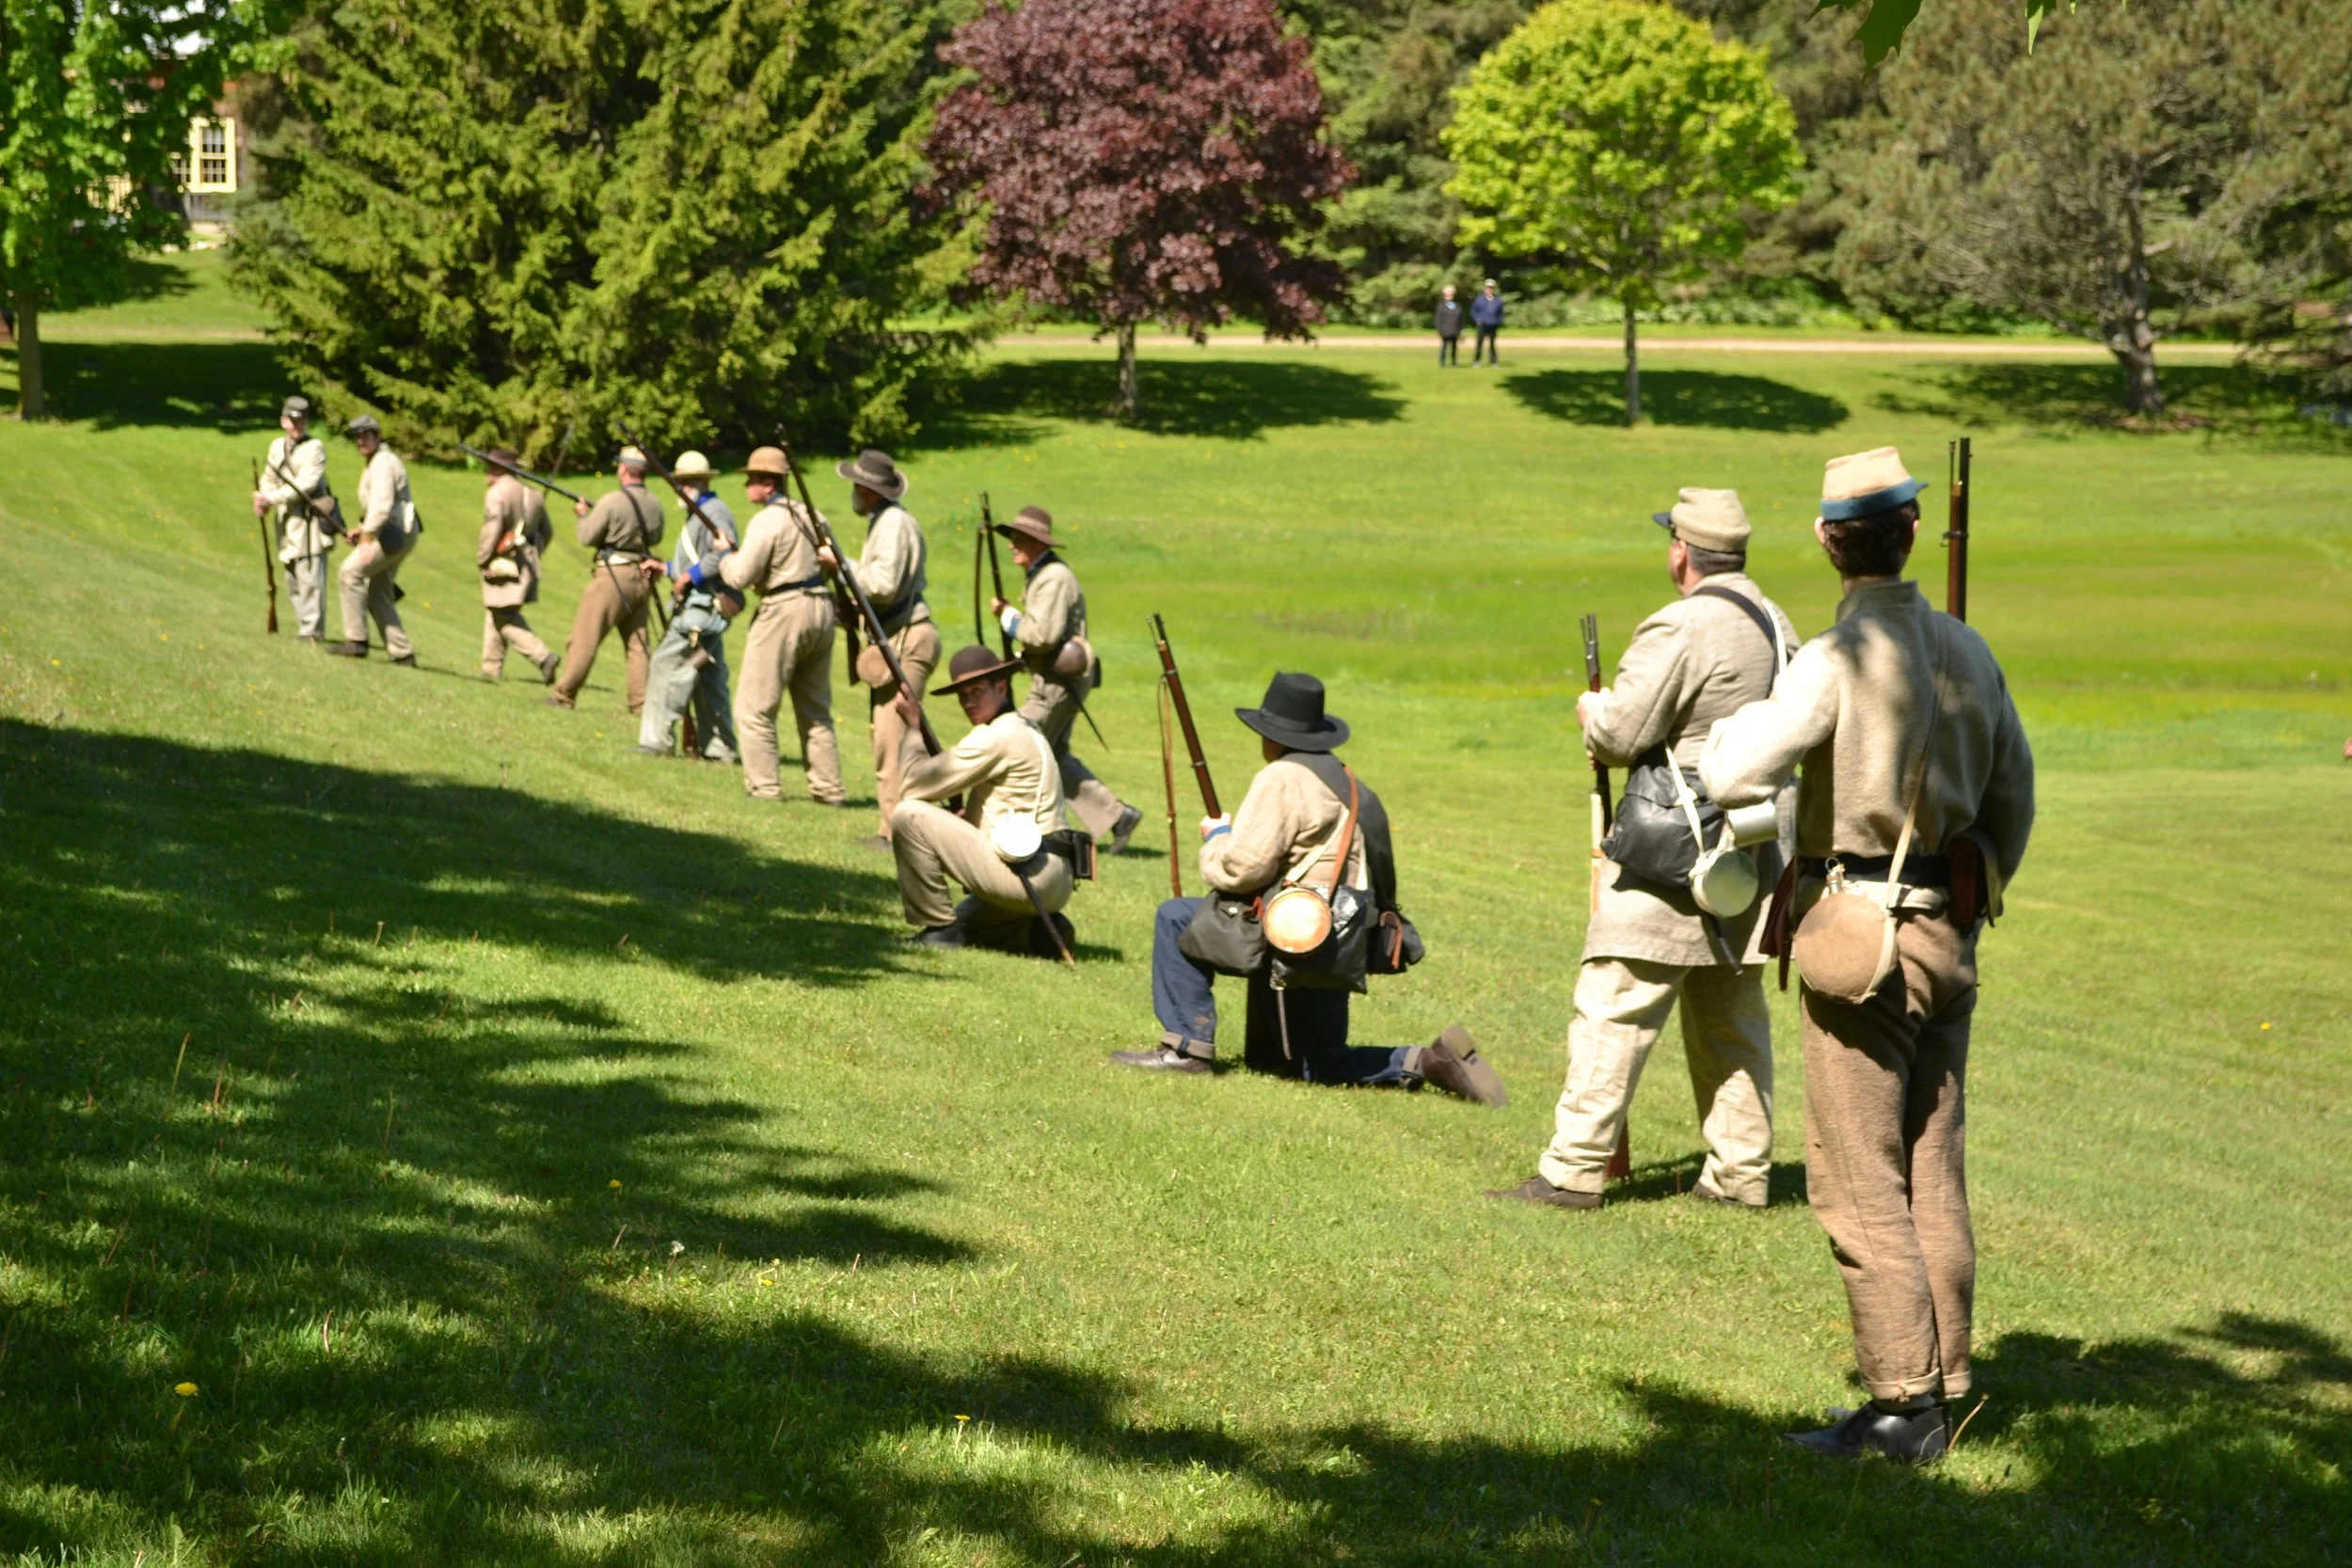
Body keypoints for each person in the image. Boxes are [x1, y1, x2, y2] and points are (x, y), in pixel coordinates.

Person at [1699, 446, 2035, 1465]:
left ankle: (1899, 1402)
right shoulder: (1970, 650)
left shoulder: (1837, 655)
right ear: (1913, 530)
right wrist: (1967, 885)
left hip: (1861, 938)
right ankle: (1950, 1380)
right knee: (1933, 1167)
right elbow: (2014, 800)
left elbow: (1732, 772)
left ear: (1825, 540)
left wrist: (1742, 729)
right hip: (1948, 933)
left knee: (1857, 1179)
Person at [1488, 488, 1797, 1212]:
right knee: (1732, 1019)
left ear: (1682, 551)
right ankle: (1741, 1175)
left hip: (1674, 851)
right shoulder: (1778, 623)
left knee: (1613, 1005)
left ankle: (1572, 1172)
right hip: (1752, 852)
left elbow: (1623, 734)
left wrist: (1592, 713)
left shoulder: (1680, 624)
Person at [1109, 672, 1506, 1102]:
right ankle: (1427, 1061)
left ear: (1272, 737)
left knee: (1175, 917)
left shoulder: (1282, 776)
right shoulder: (1346, 779)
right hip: (1341, 933)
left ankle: (1186, 1049)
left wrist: (1216, 839)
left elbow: (1244, 869)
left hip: (1294, 927)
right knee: (1315, 1064)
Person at [888, 644, 1077, 954]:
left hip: (1027, 874)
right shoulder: (1026, 727)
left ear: (1000, 687)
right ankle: (1032, 931)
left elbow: (913, 785)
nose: (968, 702)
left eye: (977, 691)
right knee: (967, 925)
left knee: (907, 815)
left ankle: (938, 929)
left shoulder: (996, 736)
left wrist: (912, 728)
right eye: (962, 695)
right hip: (1055, 878)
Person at [688, 445, 846, 805]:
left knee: (753, 707)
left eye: (752, 480)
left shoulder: (767, 521)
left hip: (783, 611)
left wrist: (725, 554)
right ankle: (829, 789)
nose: (746, 486)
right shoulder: (815, 516)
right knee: (815, 709)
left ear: (768, 484)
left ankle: (764, 787)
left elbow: (741, 576)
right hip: (820, 608)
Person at [991, 505, 1143, 851]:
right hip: (1054, 679)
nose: (1012, 544)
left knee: (1023, 747)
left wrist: (1008, 617)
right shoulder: (1043, 575)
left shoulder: (1053, 578)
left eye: (1018, 538)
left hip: (1057, 684)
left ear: (1036, 541)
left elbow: (1041, 635)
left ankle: (1023, 831)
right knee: (1054, 754)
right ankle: (1117, 817)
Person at [817, 449, 935, 845]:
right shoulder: (886, 521)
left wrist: (840, 564)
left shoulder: (893, 523)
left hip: (906, 636)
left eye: (856, 485)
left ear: (867, 490)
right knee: (889, 739)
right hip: (897, 635)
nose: (853, 492)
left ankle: (897, 834)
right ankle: (895, 829)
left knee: (894, 741)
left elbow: (883, 584)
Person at [636, 451, 740, 761]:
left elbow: (725, 552)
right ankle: (720, 749)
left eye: (685, 483)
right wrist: (667, 569)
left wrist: (689, 577)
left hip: (702, 606)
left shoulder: (714, 512)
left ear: (699, 483)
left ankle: (656, 741)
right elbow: (694, 561)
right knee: (709, 679)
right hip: (701, 605)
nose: (680, 489)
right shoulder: (701, 512)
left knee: (665, 665)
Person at [549, 446, 665, 713]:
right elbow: (656, 536)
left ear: (623, 470)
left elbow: (587, 536)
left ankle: (564, 695)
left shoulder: (612, 501)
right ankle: (640, 703)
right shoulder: (655, 503)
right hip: (642, 576)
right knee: (638, 646)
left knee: (585, 638)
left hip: (612, 577)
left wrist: (583, 516)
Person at [326, 415, 420, 664]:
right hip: (396, 531)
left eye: (366, 436)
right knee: (379, 590)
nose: (361, 441)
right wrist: (362, 528)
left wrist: (366, 539)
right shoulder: (377, 461)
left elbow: (382, 505)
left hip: (393, 533)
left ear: (378, 437)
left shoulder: (382, 463)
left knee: (350, 573)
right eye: (357, 437)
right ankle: (402, 653)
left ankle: (356, 641)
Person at [252, 395, 338, 641]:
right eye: (293, 420)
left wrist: (271, 498)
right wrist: (262, 497)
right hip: (286, 521)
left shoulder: (315, 448)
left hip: (309, 523)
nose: (298, 425)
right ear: (284, 421)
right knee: (292, 579)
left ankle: (312, 631)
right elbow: (269, 477)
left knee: (310, 578)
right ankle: (304, 627)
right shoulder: (277, 447)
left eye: (302, 421)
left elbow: (305, 485)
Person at [475, 449, 559, 683]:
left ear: (499, 469)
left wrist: (483, 557)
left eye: (490, 466)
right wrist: (533, 553)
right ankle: (491, 669)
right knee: (498, 610)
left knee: (503, 616)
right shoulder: (534, 494)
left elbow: (492, 530)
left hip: (502, 562)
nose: (486, 471)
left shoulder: (497, 494)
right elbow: (547, 532)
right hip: (526, 563)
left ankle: (543, 657)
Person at [1470, 278, 1504, 366]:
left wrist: (1498, 321)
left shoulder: (1498, 300)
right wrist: (1477, 319)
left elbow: (1500, 313)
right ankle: (1476, 361)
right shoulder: (1479, 299)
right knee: (1479, 343)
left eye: (1491, 287)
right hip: (1482, 324)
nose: (1489, 289)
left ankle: (1494, 361)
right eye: (1488, 287)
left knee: (1492, 344)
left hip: (1493, 324)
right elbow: (1474, 311)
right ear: (1485, 288)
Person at [1435, 284, 1465, 366]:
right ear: (1445, 294)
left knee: (1454, 347)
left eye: (1451, 293)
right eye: (1448, 293)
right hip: (1445, 330)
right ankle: (1442, 362)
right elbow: (1438, 319)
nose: (1450, 295)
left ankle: (1454, 362)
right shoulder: (1441, 306)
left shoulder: (1457, 305)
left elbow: (1461, 318)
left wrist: (1462, 329)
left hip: (1455, 330)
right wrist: (1439, 330)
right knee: (1444, 347)